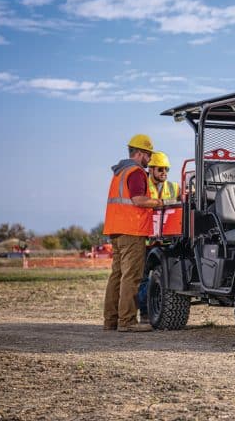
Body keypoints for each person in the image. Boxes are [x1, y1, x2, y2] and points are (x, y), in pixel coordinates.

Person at [102, 134, 167, 333]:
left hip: (116, 229)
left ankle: (111, 321)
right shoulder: (137, 172)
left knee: (117, 276)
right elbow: (138, 200)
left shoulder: (119, 172)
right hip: (132, 230)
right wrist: (158, 203)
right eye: (148, 154)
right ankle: (127, 321)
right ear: (139, 153)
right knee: (131, 276)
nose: (149, 159)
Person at [138, 151, 181, 322]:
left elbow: (185, 197)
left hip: (165, 239)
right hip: (145, 237)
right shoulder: (144, 185)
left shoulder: (173, 187)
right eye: (161, 169)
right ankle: (144, 314)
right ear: (151, 169)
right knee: (142, 279)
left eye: (167, 169)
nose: (164, 172)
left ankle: (153, 311)